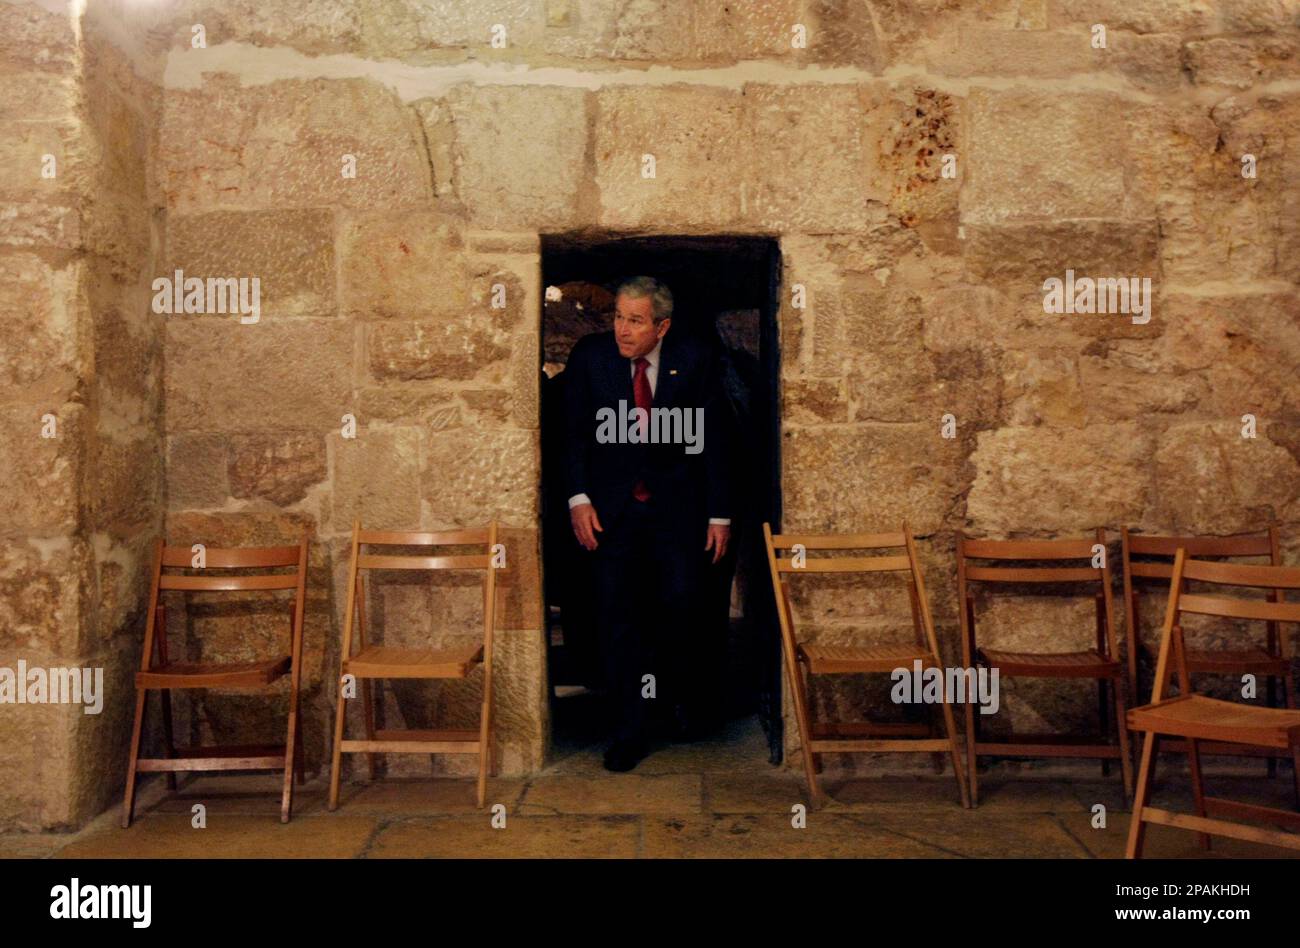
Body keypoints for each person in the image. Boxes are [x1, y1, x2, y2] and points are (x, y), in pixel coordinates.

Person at [564, 275, 732, 771]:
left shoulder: (695, 359)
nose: (622, 329)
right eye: (618, 316)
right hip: (612, 517)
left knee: (680, 609)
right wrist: (578, 499)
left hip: (677, 514)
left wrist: (719, 513)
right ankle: (628, 730)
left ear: (662, 326)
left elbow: (714, 439)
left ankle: (676, 706)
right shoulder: (591, 359)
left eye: (635, 321)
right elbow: (571, 434)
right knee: (619, 620)